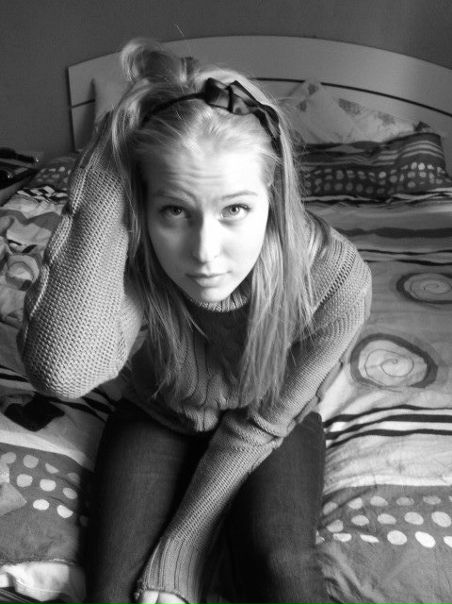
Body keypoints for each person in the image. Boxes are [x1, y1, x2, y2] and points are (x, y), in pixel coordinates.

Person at [18, 38, 371, 604]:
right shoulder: (137, 258)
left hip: (272, 422)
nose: (204, 254)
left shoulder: (335, 279)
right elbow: (63, 369)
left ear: (275, 196)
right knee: (111, 589)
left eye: (235, 209)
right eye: (175, 210)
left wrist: (180, 549)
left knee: (282, 567)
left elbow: (260, 426)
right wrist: (113, 154)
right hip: (159, 408)